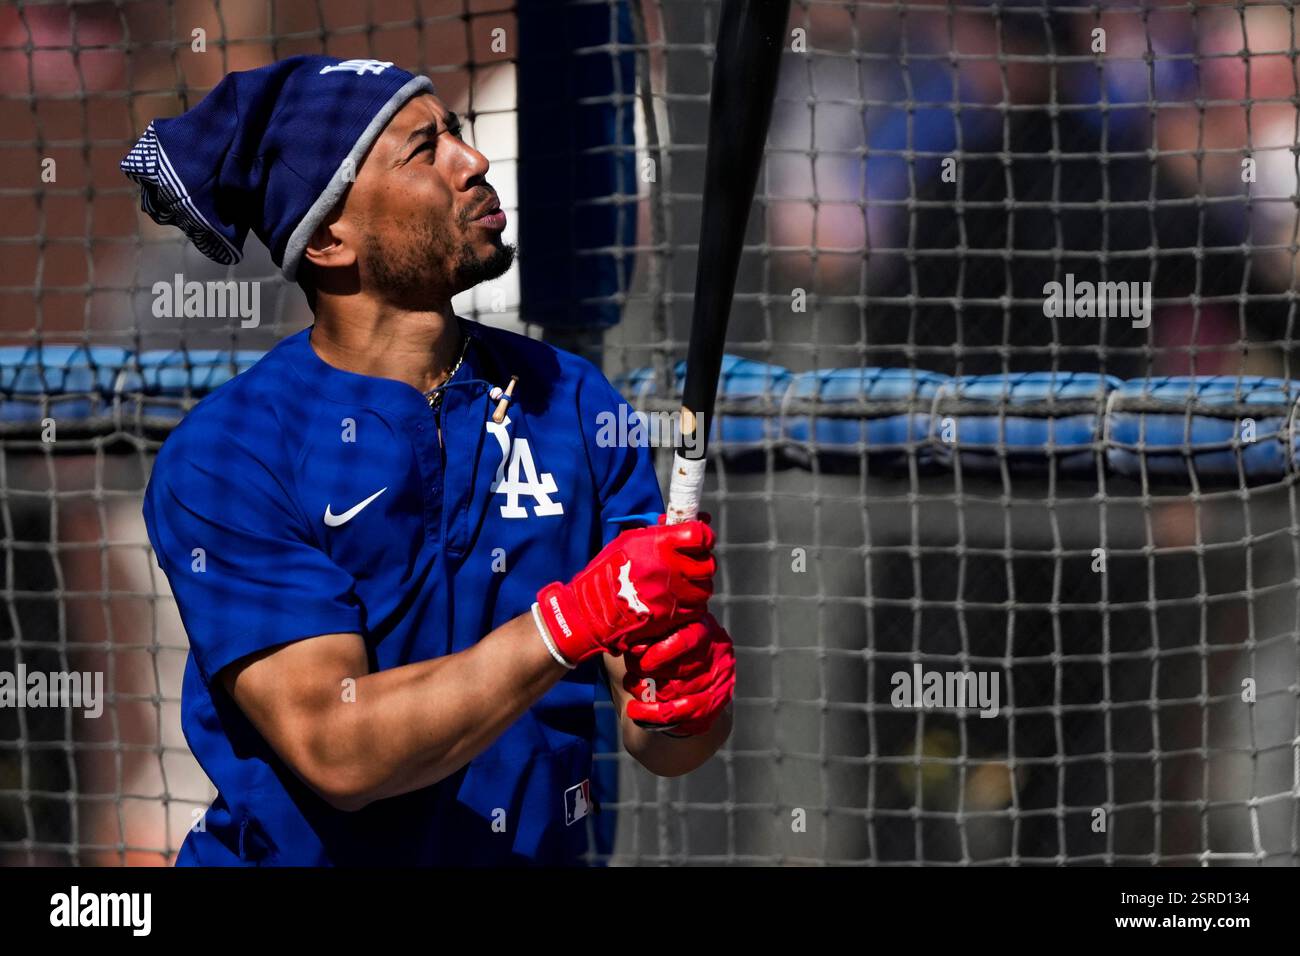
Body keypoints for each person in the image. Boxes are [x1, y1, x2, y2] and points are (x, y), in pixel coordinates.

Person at [121, 55, 735, 865]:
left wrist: (684, 699)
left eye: (458, 133)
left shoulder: (574, 401)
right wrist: (566, 624)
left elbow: (659, 741)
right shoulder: (227, 455)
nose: (472, 161)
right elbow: (337, 749)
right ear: (331, 237)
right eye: (424, 149)